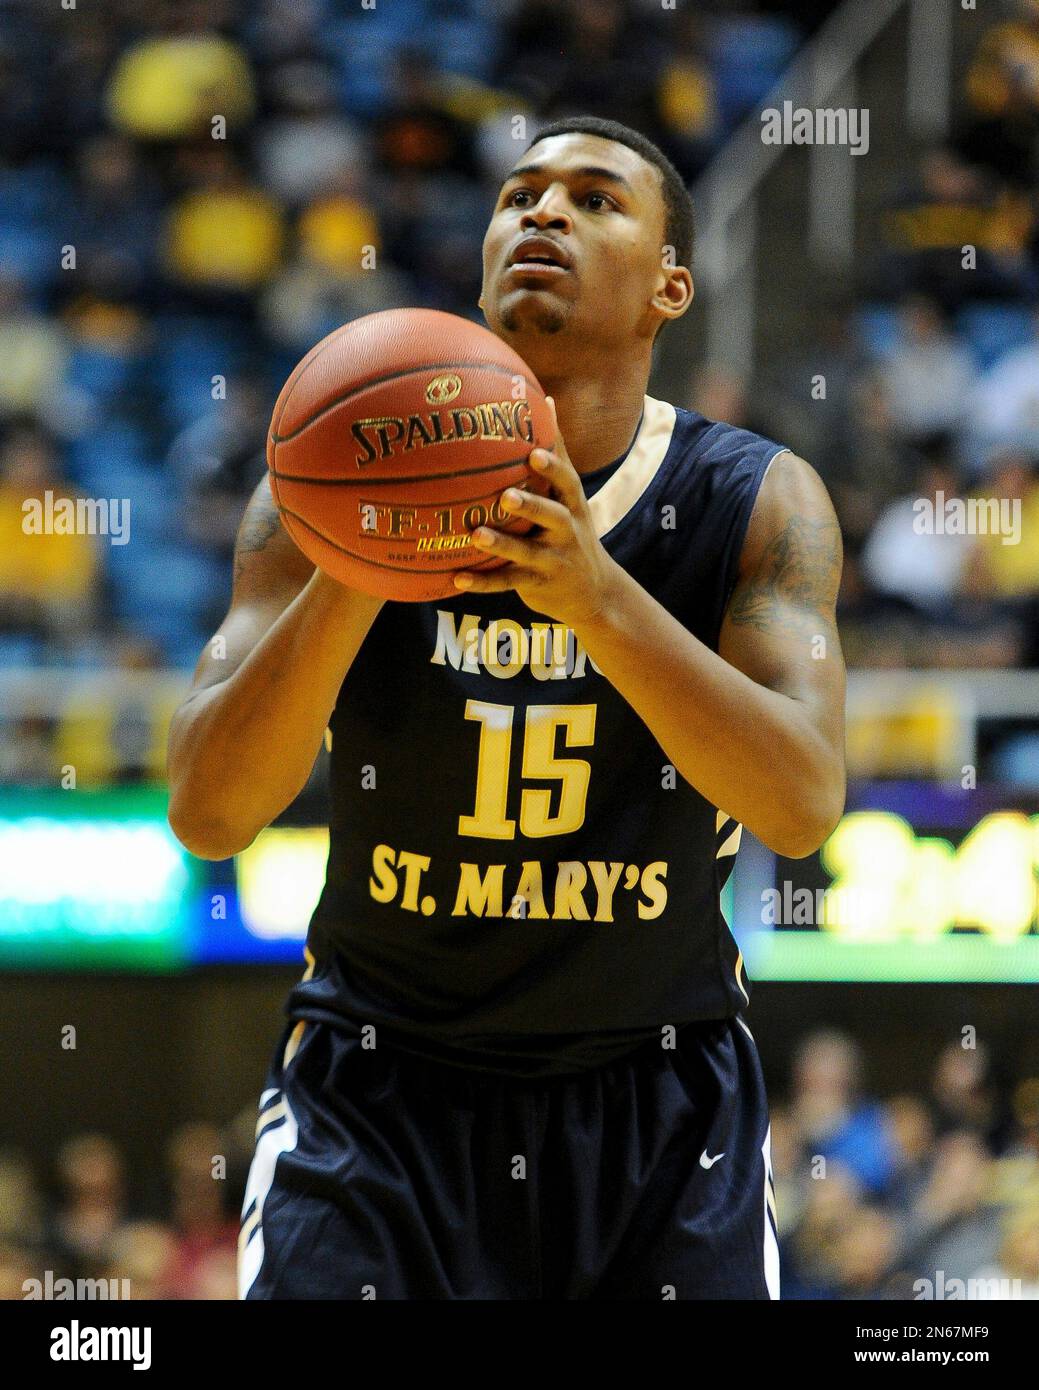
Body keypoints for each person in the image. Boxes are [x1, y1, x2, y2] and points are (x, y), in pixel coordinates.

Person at [167, 115, 847, 1300]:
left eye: (594, 200)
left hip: (661, 1098)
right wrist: (363, 560)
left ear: (669, 288)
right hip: (379, 1093)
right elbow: (212, 812)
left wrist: (596, 600)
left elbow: (799, 805)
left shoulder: (753, 502)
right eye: (519, 194)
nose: (541, 213)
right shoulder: (317, 490)